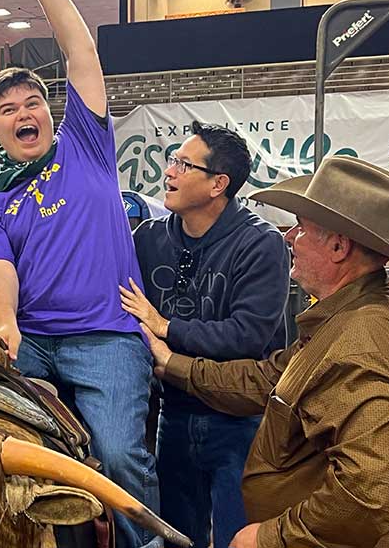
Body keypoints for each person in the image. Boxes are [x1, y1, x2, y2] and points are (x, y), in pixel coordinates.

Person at [0, 0, 158, 547]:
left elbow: (81, 52)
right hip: (33, 337)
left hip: (106, 336)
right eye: (9, 110)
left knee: (119, 455)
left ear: (51, 113)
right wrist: (4, 325)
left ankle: (146, 544)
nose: (24, 114)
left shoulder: (85, 144)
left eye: (33, 103)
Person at [142, 156, 389, 548]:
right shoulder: (349, 316)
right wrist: (173, 365)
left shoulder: (364, 342)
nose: (289, 237)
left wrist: (268, 538)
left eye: (301, 228)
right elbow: (271, 379)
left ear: (338, 246)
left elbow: (365, 496)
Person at [119, 121, 290, 548]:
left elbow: (247, 335)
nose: (169, 171)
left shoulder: (261, 243)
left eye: (183, 164)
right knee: (177, 536)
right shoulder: (147, 239)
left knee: (240, 538)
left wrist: (167, 327)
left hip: (241, 419)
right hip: (173, 415)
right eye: (172, 160)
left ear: (218, 184)